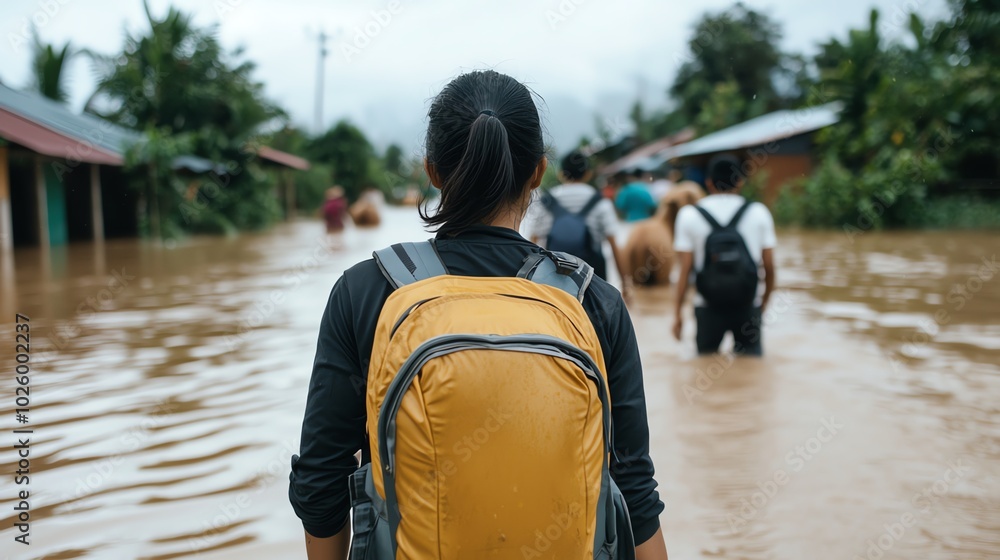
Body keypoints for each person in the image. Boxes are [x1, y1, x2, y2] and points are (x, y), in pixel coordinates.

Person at [288, 70, 668, 560]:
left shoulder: (363, 292)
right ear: (538, 172)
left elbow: (321, 482)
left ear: (431, 171)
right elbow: (635, 488)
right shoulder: (596, 302)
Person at [671, 154, 776, 356]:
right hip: (747, 304)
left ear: (708, 182)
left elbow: (684, 270)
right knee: (751, 369)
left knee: (705, 368)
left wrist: (677, 314)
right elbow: (770, 267)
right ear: (740, 181)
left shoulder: (689, 215)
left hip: (707, 306)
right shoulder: (759, 212)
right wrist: (762, 305)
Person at [527, 149, 631, 297]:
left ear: (561, 174)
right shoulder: (600, 202)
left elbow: (533, 245)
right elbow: (615, 247)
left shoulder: (545, 202)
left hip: (555, 286)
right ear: (588, 173)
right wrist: (626, 285)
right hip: (594, 285)